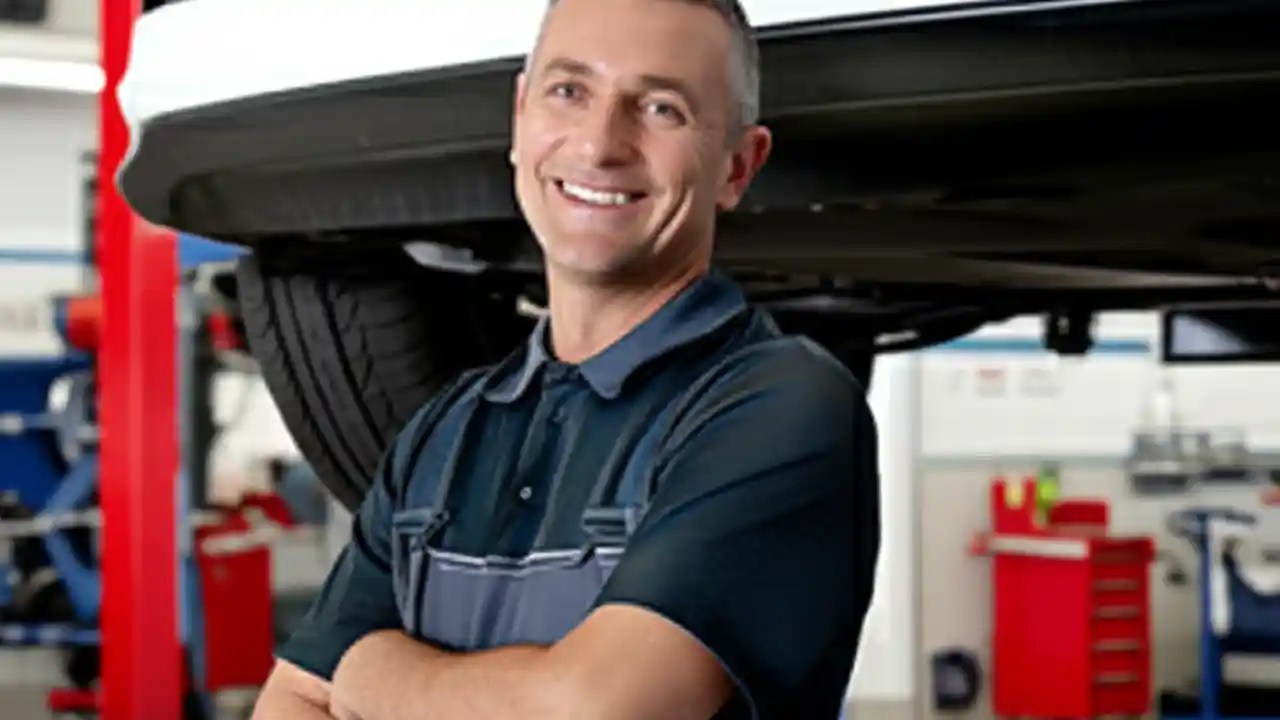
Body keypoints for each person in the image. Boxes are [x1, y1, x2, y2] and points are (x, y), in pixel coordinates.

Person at [252, 0, 880, 718]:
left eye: (662, 108)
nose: (599, 144)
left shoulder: (780, 405)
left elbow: (589, 710)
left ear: (739, 166)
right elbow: (293, 697)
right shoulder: (448, 427)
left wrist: (366, 672)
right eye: (570, 92)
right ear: (520, 117)